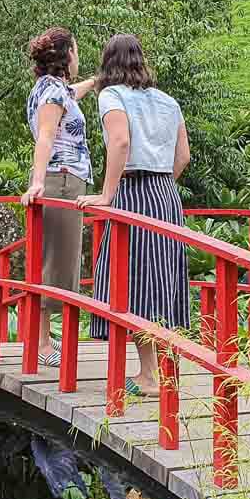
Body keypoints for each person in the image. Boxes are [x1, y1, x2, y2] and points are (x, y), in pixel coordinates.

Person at [76, 34, 191, 397]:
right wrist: (162, 185)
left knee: (137, 282)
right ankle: (162, 372)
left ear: (108, 62)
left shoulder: (112, 96)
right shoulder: (168, 101)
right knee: (162, 281)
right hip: (167, 195)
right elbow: (183, 156)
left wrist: (108, 195)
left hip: (133, 193)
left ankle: (149, 376)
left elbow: (120, 142)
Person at [21, 28, 96, 366]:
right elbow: (47, 136)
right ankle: (40, 344)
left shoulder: (52, 89)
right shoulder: (53, 94)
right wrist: (37, 181)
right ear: (66, 57)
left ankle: (44, 339)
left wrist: (95, 82)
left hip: (63, 179)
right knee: (56, 263)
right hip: (61, 179)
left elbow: (71, 96)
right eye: (76, 51)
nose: (79, 58)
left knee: (53, 258)